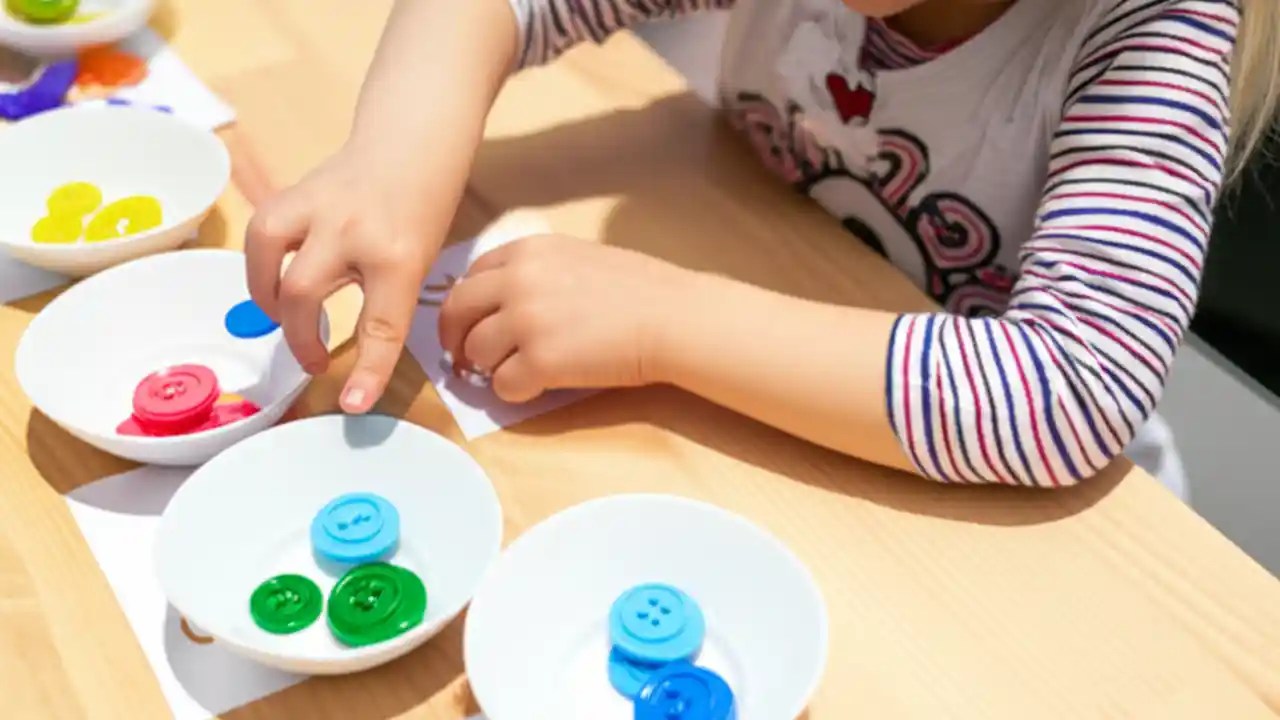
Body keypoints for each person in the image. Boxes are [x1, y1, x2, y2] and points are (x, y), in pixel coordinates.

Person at [245, 0, 1277, 489]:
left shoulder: (1149, 24)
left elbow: (1068, 390)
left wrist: (662, 320)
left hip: (1025, 522)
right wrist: (392, 156)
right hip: (750, 429)